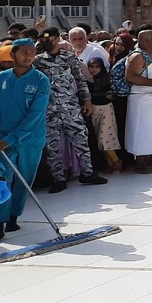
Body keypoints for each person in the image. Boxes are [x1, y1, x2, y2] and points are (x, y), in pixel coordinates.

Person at [0, 39, 48, 244]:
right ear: (13, 55)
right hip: (2, 136)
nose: (29, 56)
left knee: (24, 178)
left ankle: (13, 217)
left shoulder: (41, 81)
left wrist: (12, 138)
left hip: (31, 138)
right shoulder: (1, 78)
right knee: (1, 178)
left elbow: (35, 116)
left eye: (32, 53)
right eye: (24, 52)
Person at [34, 27, 107, 193]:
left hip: (70, 107)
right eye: (42, 40)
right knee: (53, 144)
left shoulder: (69, 57)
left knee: (81, 139)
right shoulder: (38, 61)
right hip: (49, 109)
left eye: (48, 39)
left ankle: (87, 173)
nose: (44, 42)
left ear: (56, 40)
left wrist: (87, 100)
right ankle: (58, 179)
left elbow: (80, 80)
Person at [124, 30, 152, 174]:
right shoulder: (137, 56)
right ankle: (140, 163)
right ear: (148, 42)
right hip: (142, 100)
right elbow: (131, 76)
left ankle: (148, 159)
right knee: (141, 131)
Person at [85, 57, 122, 173]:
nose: (94, 70)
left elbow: (113, 94)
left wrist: (111, 95)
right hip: (94, 111)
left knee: (105, 138)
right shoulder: (87, 81)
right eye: (91, 66)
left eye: (97, 67)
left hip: (106, 110)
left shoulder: (107, 80)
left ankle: (117, 162)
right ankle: (110, 164)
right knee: (98, 139)